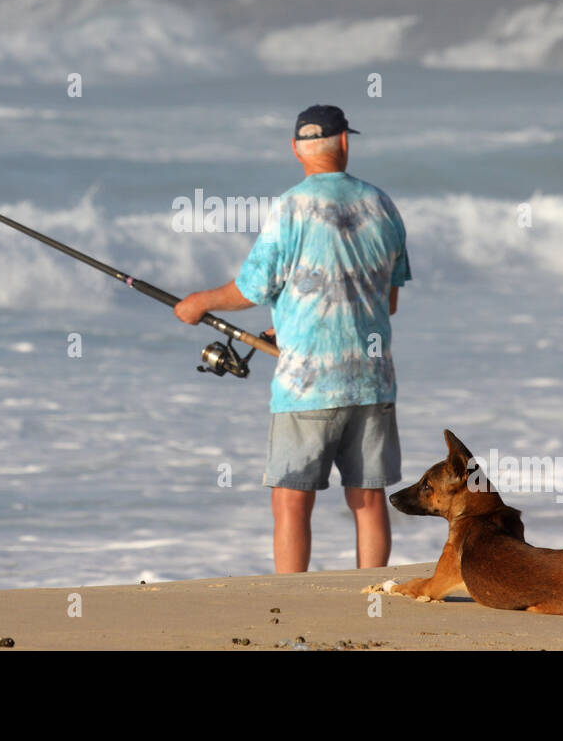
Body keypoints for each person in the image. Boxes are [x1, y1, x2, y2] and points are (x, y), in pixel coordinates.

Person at [174, 104, 411, 573]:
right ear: (345, 143)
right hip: (372, 379)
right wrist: (285, 324)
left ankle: (291, 600)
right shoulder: (381, 204)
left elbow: (252, 289)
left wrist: (200, 302)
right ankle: (373, 596)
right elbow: (388, 302)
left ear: (295, 151)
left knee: (292, 500)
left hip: (307, 384)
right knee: (367, 498)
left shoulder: (289, 207)